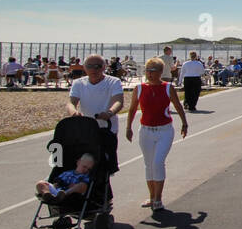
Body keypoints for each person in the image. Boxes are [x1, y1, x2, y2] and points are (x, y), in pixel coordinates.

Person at [124, 56, 188, 211]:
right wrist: (128, 127)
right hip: (146, 131)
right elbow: (132, 109)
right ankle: (152, 196)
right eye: (147, 70)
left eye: (153, 70)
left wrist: (184, 123)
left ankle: (158, 198)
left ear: (160, 72)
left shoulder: (167, 87)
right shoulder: (139, 88)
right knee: (149, 164)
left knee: (157, 162)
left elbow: (178, 106)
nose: (149, 73)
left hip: (164, 131)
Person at [66, 54, 123, 198]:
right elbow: (71, 102)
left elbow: (118, 101)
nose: (94, 69)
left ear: (104, 67)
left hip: (106, 129)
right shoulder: (79, 83)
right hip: (86, 129)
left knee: (103, 162)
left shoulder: (113, 82)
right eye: (90, 66)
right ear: (84, 68)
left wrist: (109, 112)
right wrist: (73, 112)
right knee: (84, 161)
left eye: (98, 66)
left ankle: (102, 194)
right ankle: (82, 191)